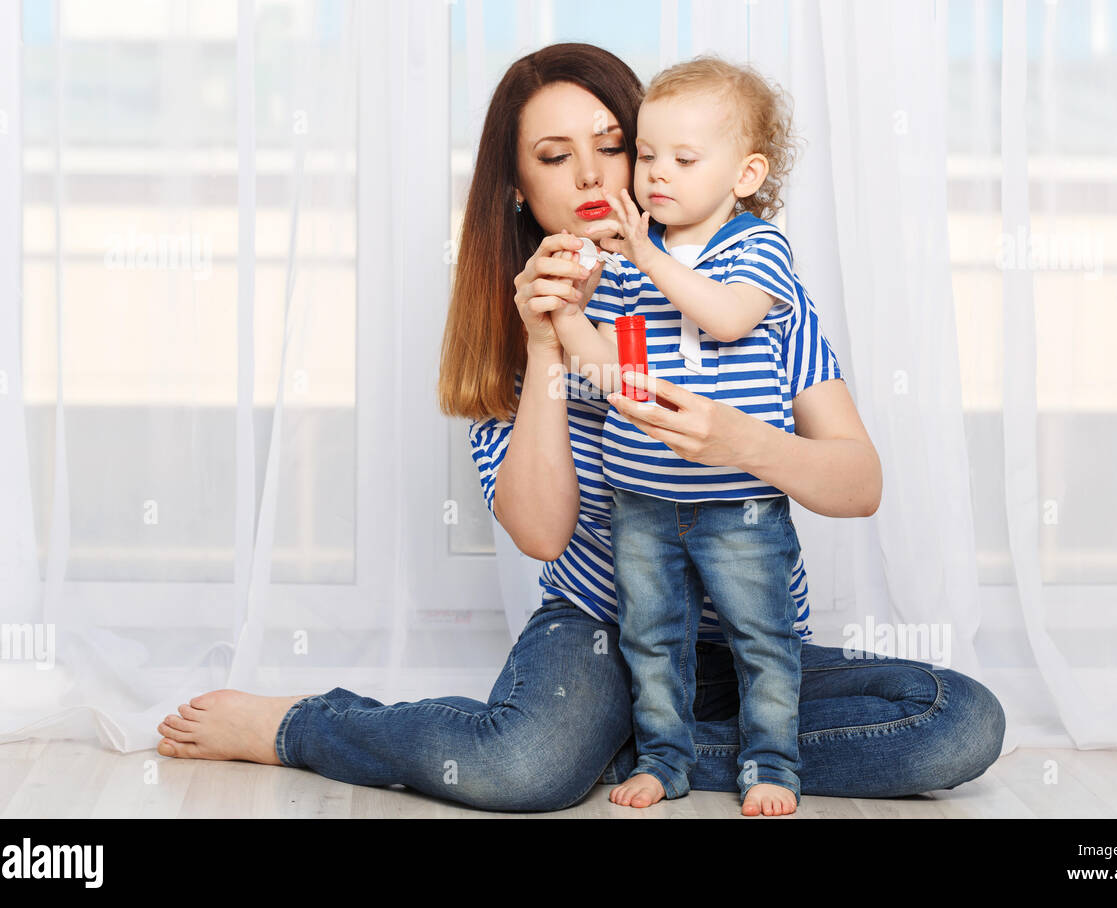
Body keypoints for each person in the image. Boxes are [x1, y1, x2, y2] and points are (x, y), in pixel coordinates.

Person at [153, 42, 1006, 815]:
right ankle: (302, 727)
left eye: (615, 146)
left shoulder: (749, 291)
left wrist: (742, 443)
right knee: (522, 769)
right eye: (557, 159)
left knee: (957, 723)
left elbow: (859, 485)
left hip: (749, 637)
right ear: (521, 191)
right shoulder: (528, 324)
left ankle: (619, 752)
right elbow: (541, 531)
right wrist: (546, 340)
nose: (596, 177)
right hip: (601, 628)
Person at [549, 56, 821, 814]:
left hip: (741, 506)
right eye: (645, 155)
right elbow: (619, 381)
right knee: (651, 640)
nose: (655, 174)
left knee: (762, 641)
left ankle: (771, 764)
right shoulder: (634, 272)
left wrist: (646, 255)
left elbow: (727, 317)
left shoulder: (756, 246)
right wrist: (571, 315)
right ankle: (664, 760)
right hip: (640, 501)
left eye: (684, 159)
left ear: (745, 174)